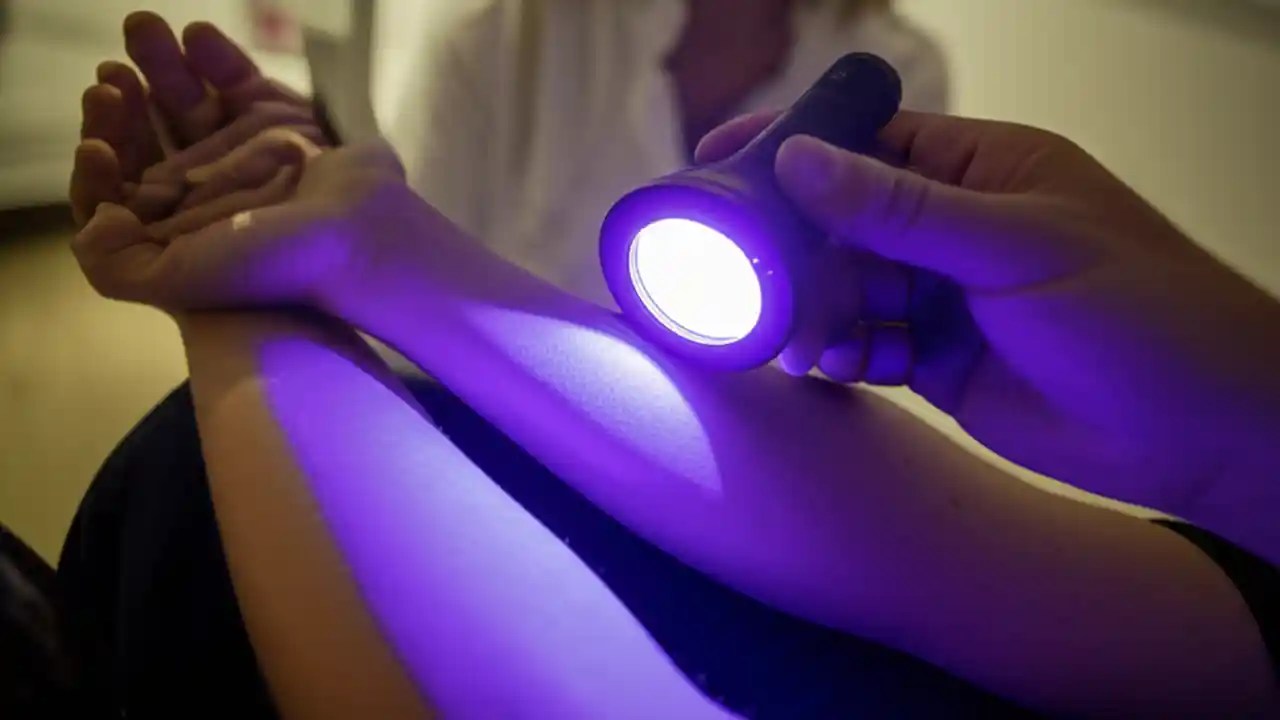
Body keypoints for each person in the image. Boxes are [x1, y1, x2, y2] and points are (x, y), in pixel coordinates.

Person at [63, 13, 1280, 720]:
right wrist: (370, 247)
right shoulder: (520, 37)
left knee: (185, 494)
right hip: (547, 395)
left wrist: (253, 310)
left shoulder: (880, 50)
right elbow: (933, 547)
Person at [378, 0, 948, 306]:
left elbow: (847, 335)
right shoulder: (496, 40)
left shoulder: (899, 72)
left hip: (750, 485)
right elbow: (411, 296)